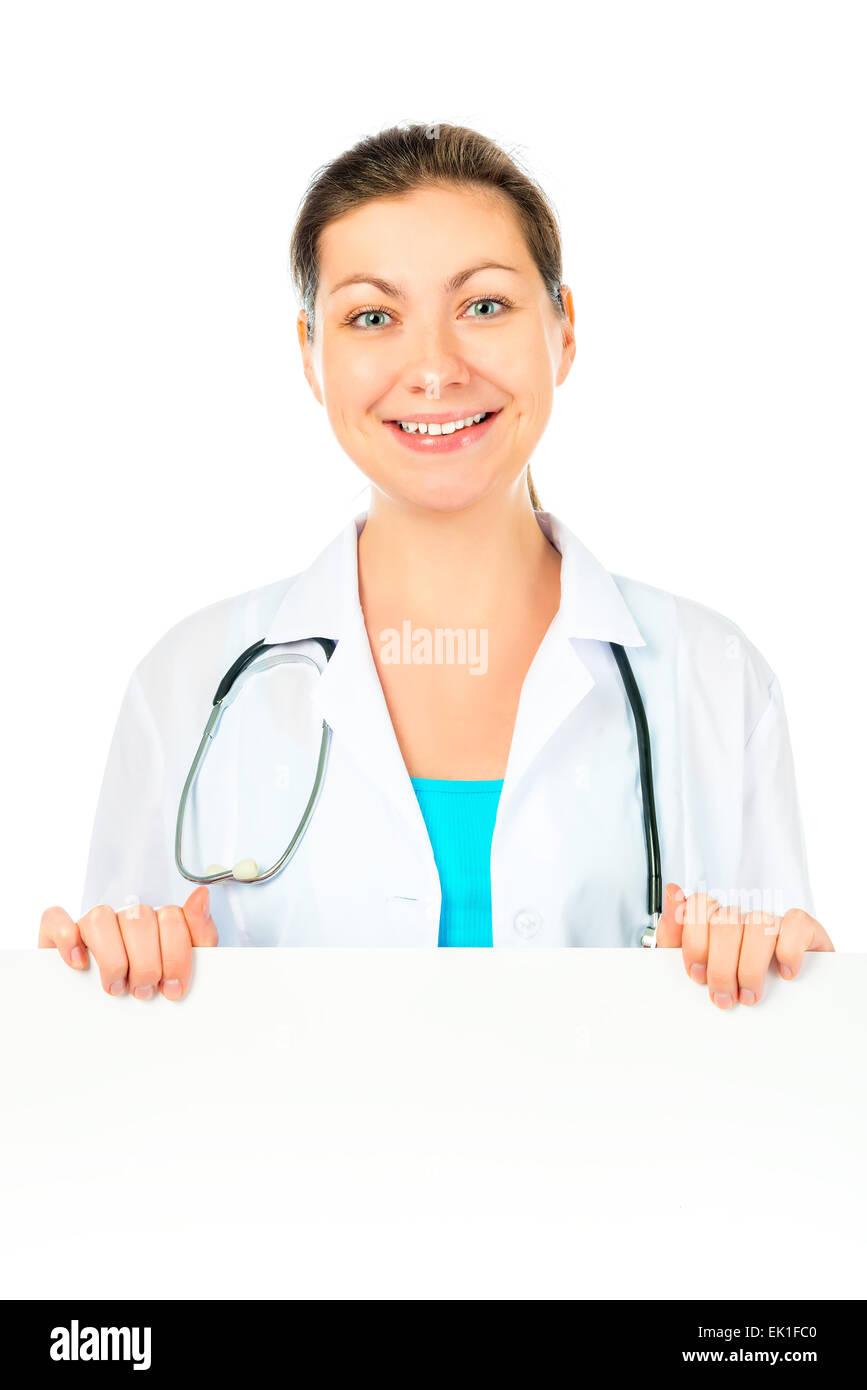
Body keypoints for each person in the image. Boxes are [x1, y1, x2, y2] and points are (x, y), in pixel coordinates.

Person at [38, 122, 834, 1006]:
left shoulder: (715, 681)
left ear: (564, 332)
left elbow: (783, 1061)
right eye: (372, 316)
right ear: (310, 355)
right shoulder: (189, 686)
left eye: (484, 306)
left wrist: (788, 975)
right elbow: (121, 1075)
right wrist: (100, 965)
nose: (433, 369)